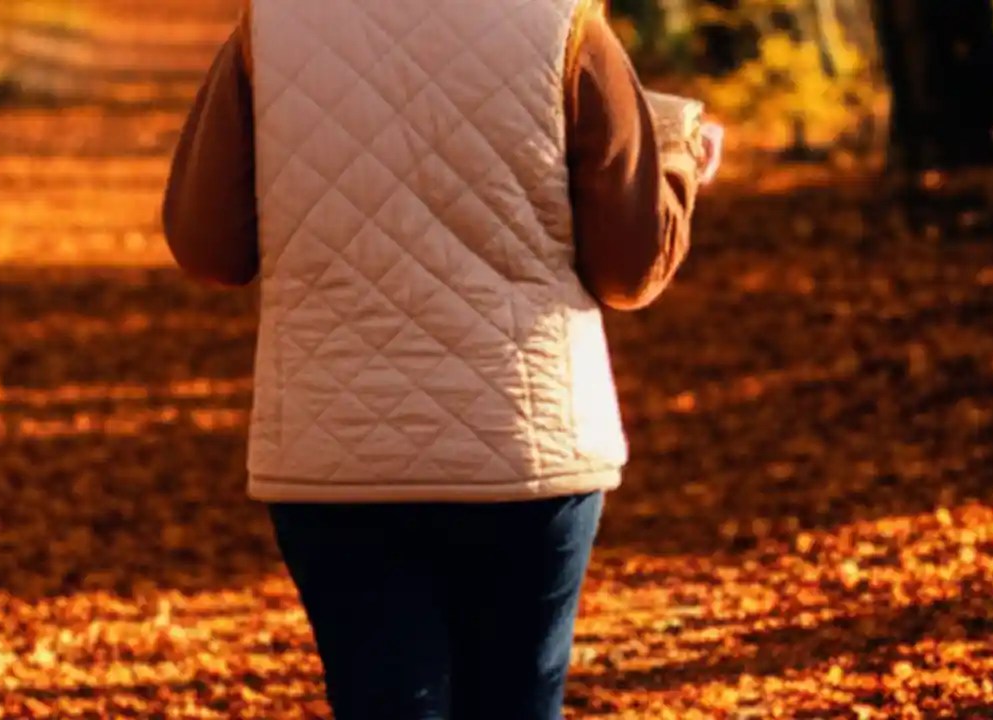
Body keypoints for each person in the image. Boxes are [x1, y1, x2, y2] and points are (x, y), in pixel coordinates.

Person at [162, 0, 721, 717]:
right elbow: (630, 269)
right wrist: (674, 155)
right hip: (525, 448)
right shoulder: (565, 22)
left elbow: (208, 246)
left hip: (339, 450)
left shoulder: (273, 25)